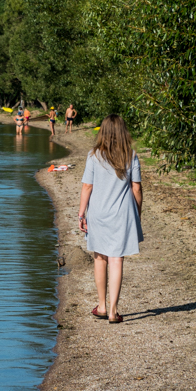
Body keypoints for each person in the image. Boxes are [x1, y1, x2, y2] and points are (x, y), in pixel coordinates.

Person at [77, 114, 143, 324]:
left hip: (98, 213)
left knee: (100, 257)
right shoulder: (131, 155)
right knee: (117, 259)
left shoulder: (94, 155)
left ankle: (102, 306)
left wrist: (81, 213)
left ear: (103, 132)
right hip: (122, 214)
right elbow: (136, 187)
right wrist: (137, 214)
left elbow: (87, 186)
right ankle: (114, 311)